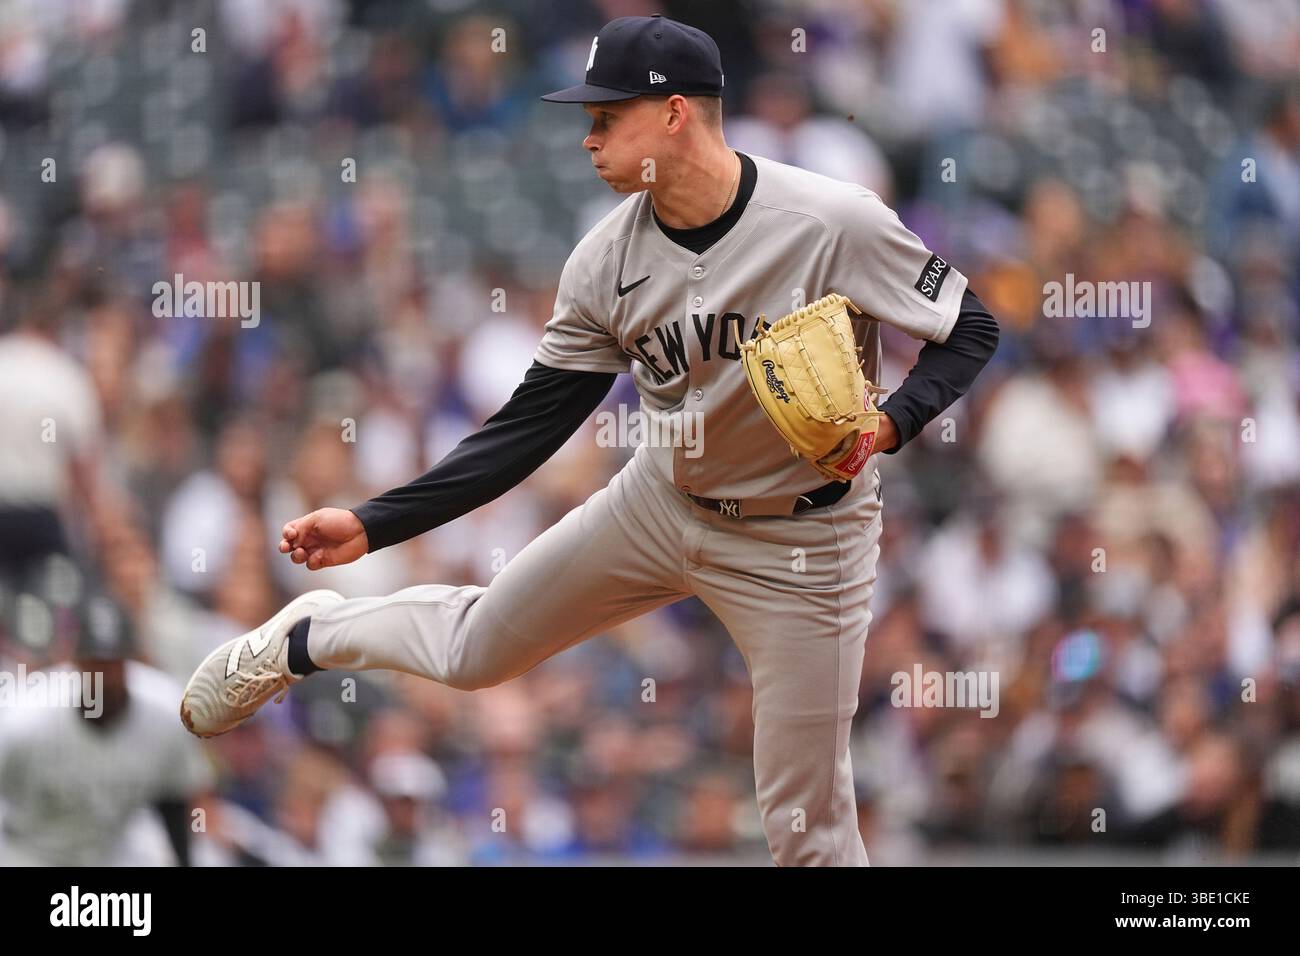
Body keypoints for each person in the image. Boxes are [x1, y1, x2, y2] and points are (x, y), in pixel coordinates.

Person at [181, 15, 1000, 866]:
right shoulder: (604, 262)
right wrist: (375, 522)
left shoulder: (832, 220)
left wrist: (893, 420)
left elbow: (969, 326)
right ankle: (307, 638)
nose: (589, 138)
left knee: (811, 837)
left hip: (806, 537)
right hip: (663, 501)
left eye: (608, 117)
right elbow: (528, 429)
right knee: (473, 651)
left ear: (675, 114)